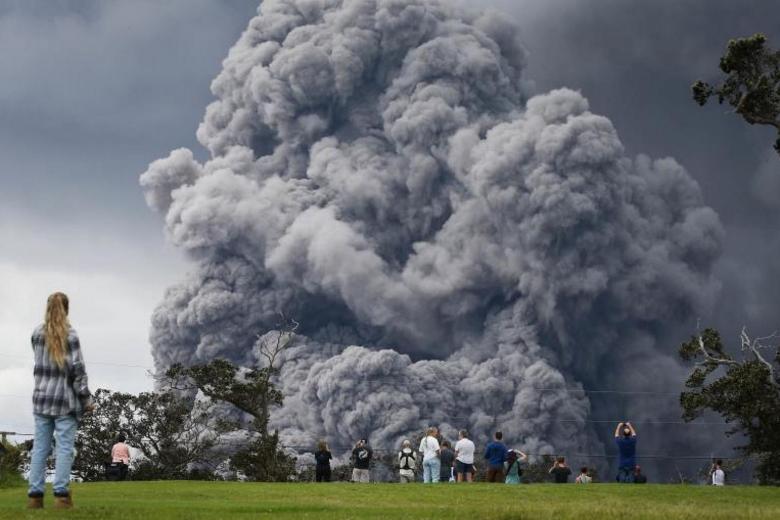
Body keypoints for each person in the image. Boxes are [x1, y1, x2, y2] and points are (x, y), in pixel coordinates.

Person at [27, 292, 93, 510]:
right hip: (65, 402)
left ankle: (35, 497)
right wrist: (86, 399)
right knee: (65, 449)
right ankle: (61, 497)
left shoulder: (37, 333)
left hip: (41, 399)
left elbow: (39, 362)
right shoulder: (70, 335)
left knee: (40, 448)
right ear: (67, 309)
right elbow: (78, 371)